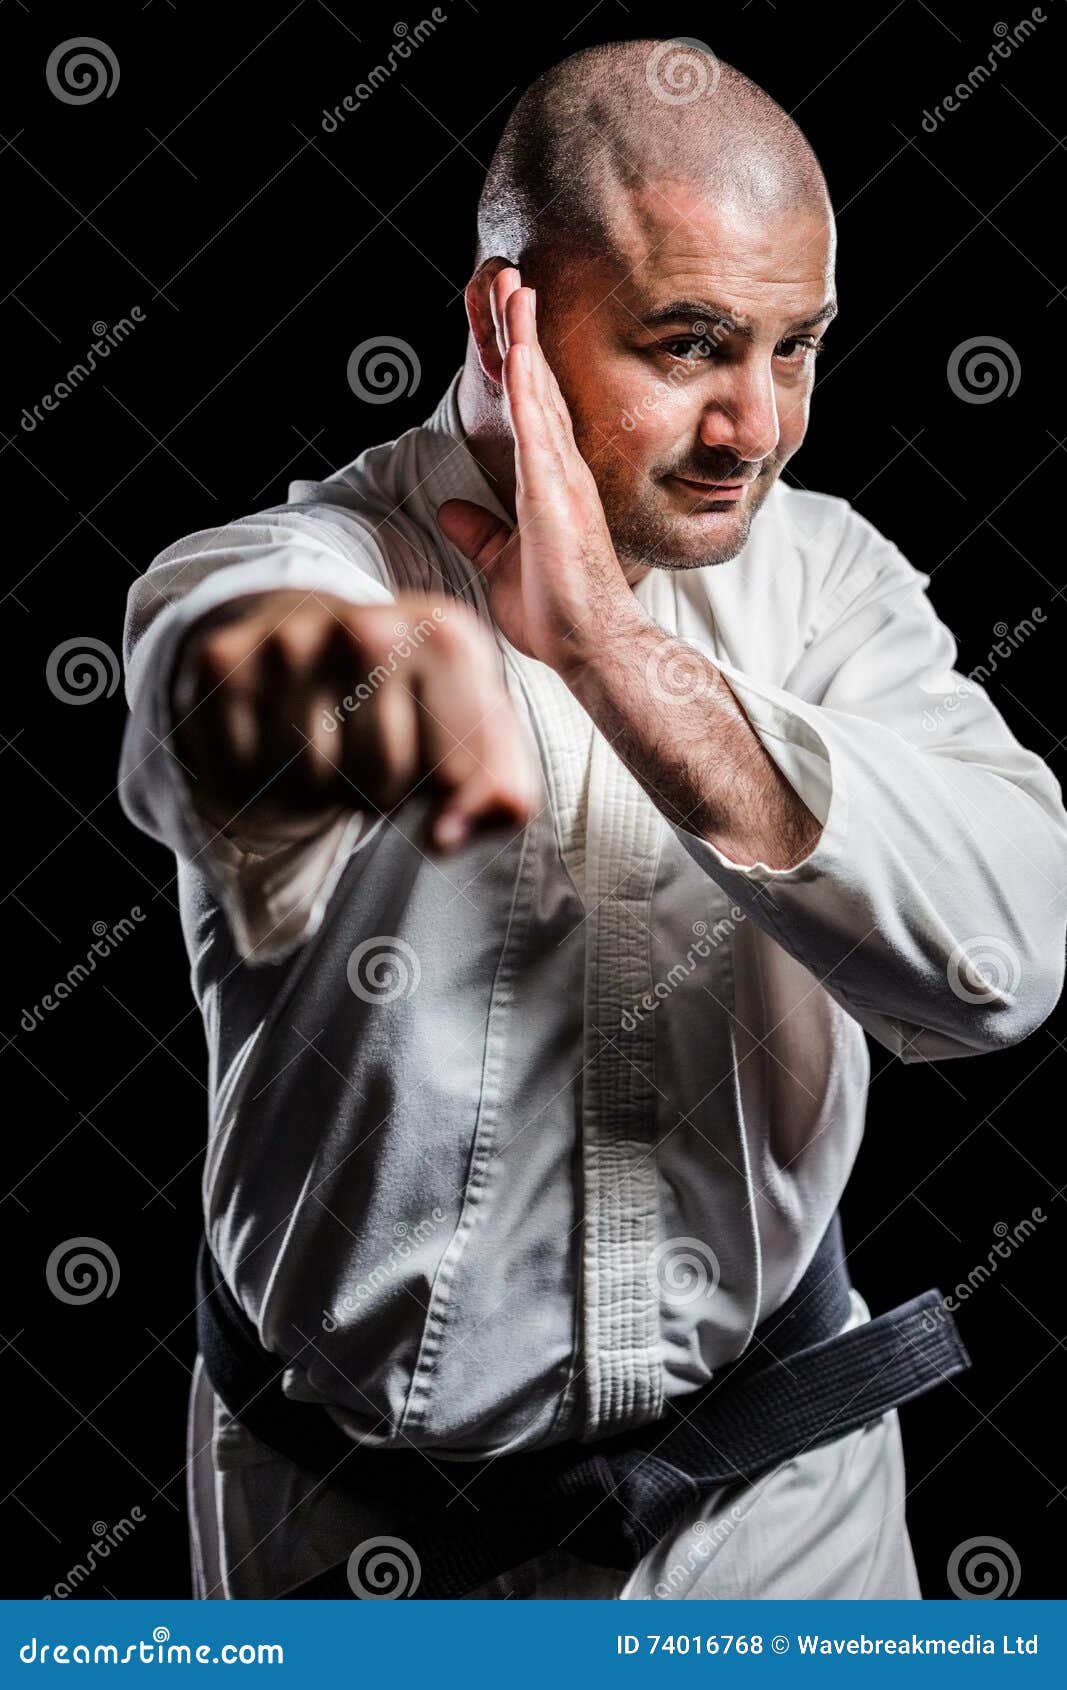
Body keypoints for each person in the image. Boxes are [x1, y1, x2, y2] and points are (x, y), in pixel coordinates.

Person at [119, 39, 1067, 1601]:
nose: (755, 425)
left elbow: (1001, 959)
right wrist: (404, 688)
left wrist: (613, 658)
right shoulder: (292, 567)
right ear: (509, 325)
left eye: (797, 347)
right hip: (357, 1534)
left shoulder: (831, 583)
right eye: (690, 345)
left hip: (784, 1521)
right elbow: (226, 715)